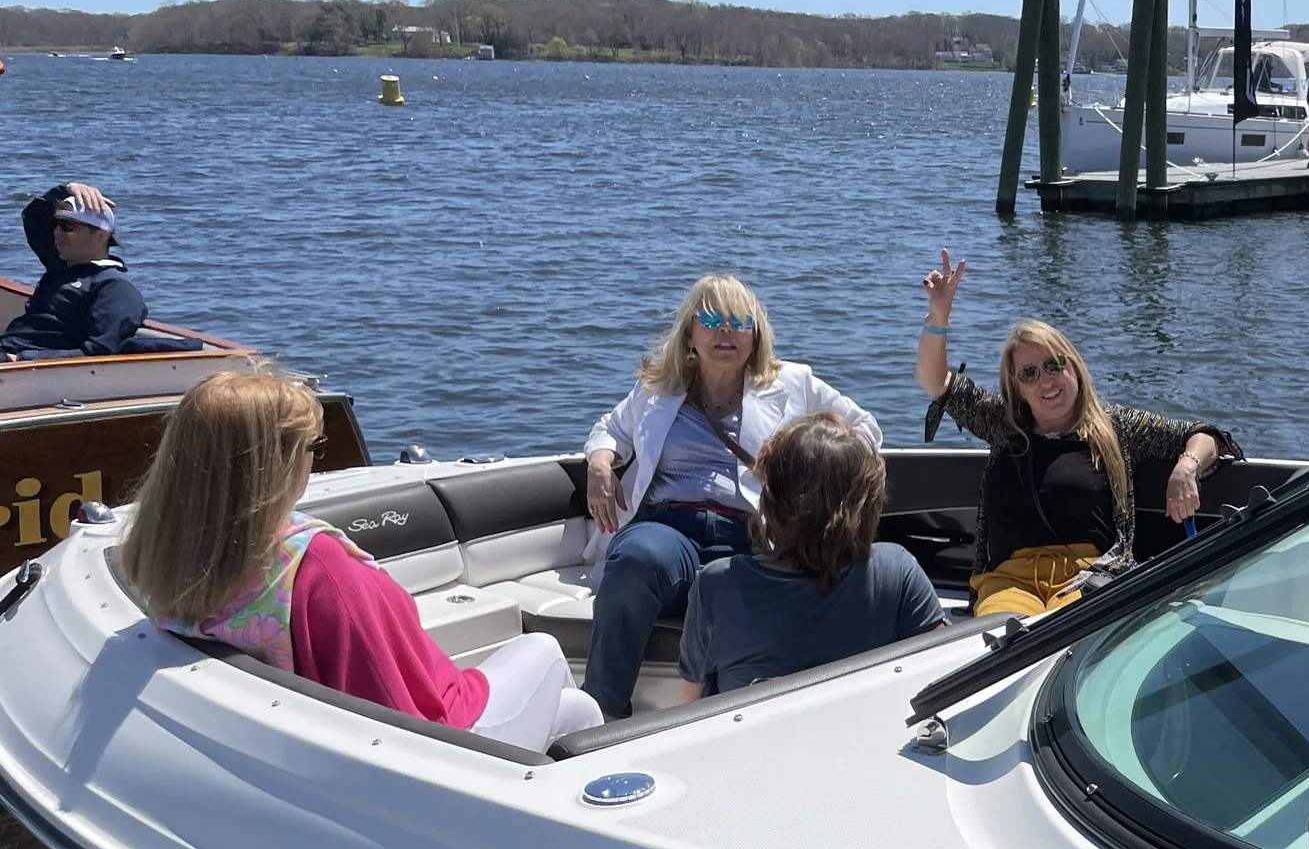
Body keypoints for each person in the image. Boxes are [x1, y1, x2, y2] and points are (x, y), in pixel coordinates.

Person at [122, 368, 601, 750]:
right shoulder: (316, 570)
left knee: (570, 709)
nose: (315, 460)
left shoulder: (167, 555)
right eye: (313, 447)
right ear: (274, 463)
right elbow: (397, 717)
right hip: (438, 739)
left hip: (297, 733)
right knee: (549, 660)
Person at [580, 274, 883, 719]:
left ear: (755, 334)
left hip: (752, 535)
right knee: (637, 558)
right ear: (689, 333)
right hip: (668, 530)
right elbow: (611, 428)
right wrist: (600, 463)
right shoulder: (658, 388)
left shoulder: (793, 384)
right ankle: (600, 714)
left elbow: (865, 431)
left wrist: (803, 456)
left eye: (740, 321)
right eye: (712, 320)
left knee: (746, 588)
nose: (727, 330)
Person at [916, 251, 1238, 618]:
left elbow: (1205, 435)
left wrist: (1186, 467)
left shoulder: (1114, 425)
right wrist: (938, 315)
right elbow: (935, 383)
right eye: (1029, 374)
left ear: (1074, 367)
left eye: (1054, 366)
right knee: (1002, 632)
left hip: (1089, 576)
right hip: (1009, 581)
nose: (1045, 381)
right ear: (1017, 387)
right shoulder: (1002, 423)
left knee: (1071, 628)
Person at [677, 413, 946, 700]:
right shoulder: (896, 571)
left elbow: (692, 701)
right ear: (866, 505)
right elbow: (945, 665)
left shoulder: (718, 584)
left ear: (771, 500)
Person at [2, 183, 148, 360]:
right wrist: (65, 190)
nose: (56, 232)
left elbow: (99, 352)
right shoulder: (61, 267)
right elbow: (34, 217)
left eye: (67, 227)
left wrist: (23, 358)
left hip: (25, 364)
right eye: (55, 224)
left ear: (102, 235)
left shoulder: (114, 287)